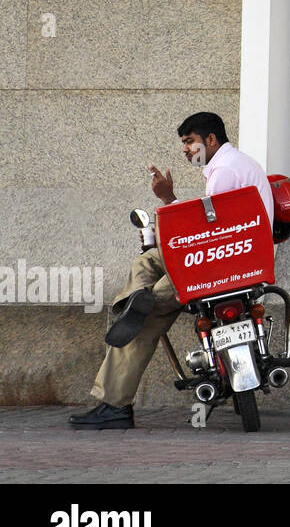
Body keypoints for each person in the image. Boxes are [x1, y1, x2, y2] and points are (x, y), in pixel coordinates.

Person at [69, 113, 272, 430]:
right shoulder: (240, 164)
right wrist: (168, 200)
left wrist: (167, 203)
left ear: (211, 140)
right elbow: (213, 226)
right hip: (238, 260)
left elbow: (207, 235)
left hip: (214, 267)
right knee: (147, 262)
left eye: (189, 142)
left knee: (141, 325)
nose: (186, 150)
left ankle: (115, 404)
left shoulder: (224, 171)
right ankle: (134, 299)